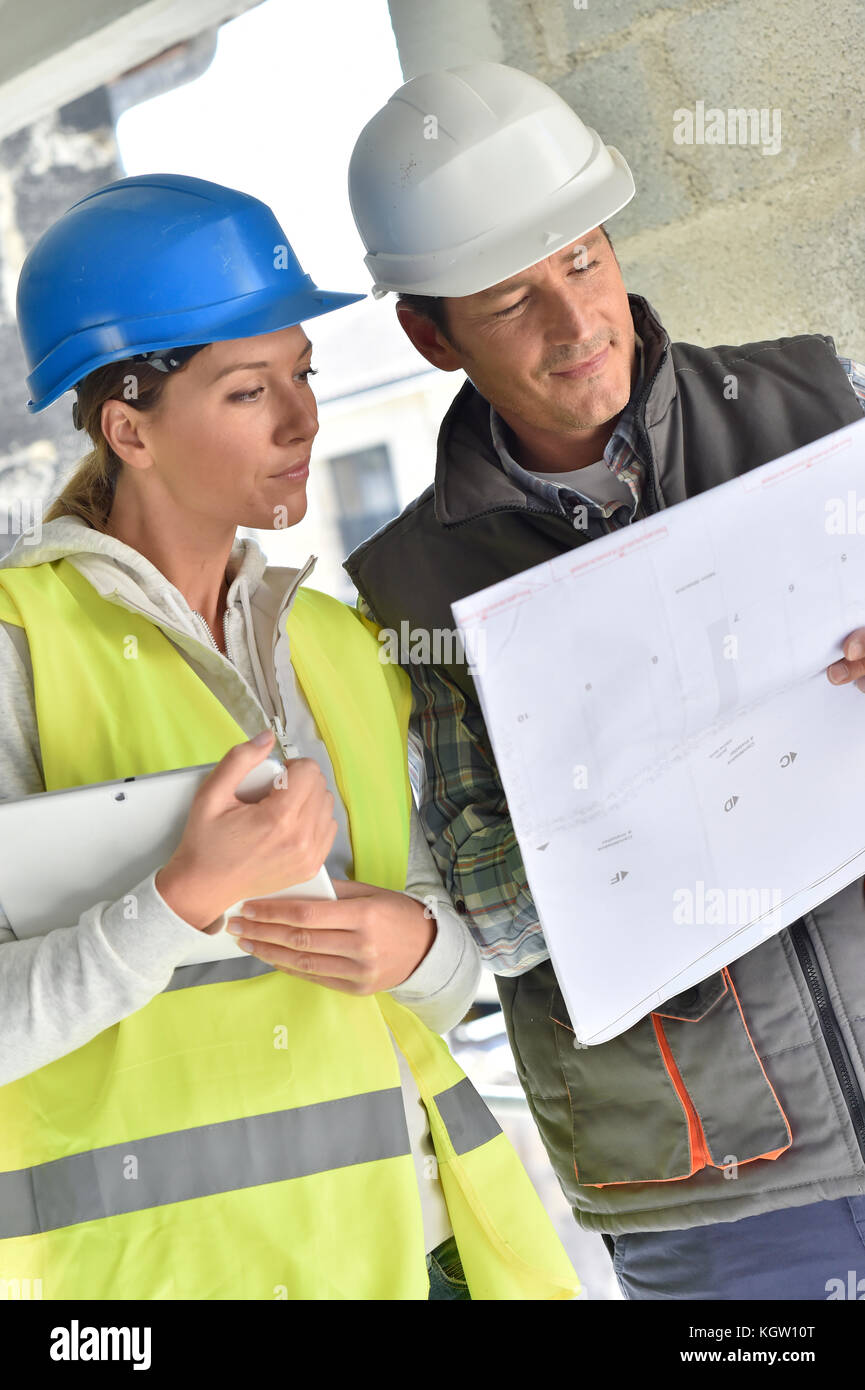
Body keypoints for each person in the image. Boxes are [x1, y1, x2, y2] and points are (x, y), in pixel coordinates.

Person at [0, 172, 580, 1301]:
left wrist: (416, 950)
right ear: (130, 427)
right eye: (248, 390)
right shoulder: (17, 649)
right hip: (166, 1285)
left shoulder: (339, 640)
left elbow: (447, 971)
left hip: (424, 1254)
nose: (303, 418)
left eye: (303, 375)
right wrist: (169, 907)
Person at [343, 61, 865, 1300]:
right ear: (430, 333)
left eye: (583, 262)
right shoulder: (412, 596)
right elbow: (493, 919)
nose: (577, 325)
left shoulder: (820, 412)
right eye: (511, 299)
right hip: (711, 1181)